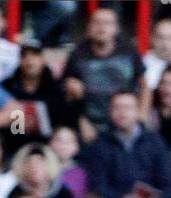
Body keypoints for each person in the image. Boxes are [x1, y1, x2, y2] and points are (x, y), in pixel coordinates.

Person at [79, 90, 171, 198]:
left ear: (137, 111)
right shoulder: (100, 144)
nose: (122, 112)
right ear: (110, 112)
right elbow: (98, 186)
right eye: (117, 107)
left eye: (127, 107)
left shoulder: (155, 141)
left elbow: (169, 183)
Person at [59, 7, 143, 136]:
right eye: (96, 22)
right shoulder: (78, 54)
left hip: (124, 118)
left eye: (107, 23)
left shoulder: (129, 52)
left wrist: (142, 115)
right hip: (90, 122)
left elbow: (145, 84)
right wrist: (82, 119)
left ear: (116, 28)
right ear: (89, 28)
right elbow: (67, 90)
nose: (101, 27)